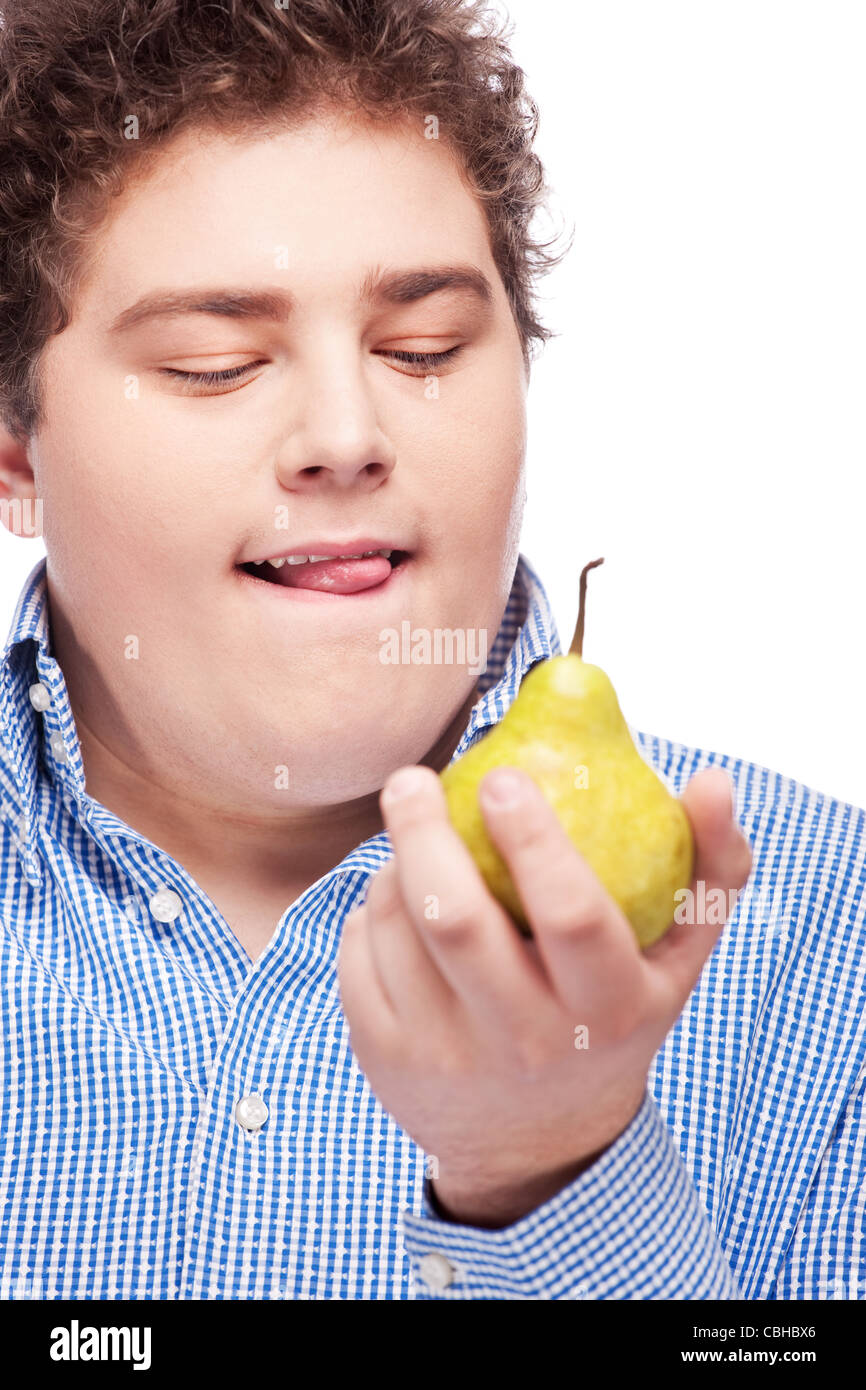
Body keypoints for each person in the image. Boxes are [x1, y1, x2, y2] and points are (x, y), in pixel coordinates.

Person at [0, 0, 862, 1302]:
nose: (345, 432)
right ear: (17, 453)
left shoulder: (829, 942)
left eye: (422, 349)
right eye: (215, 361)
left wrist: (556, 1169)